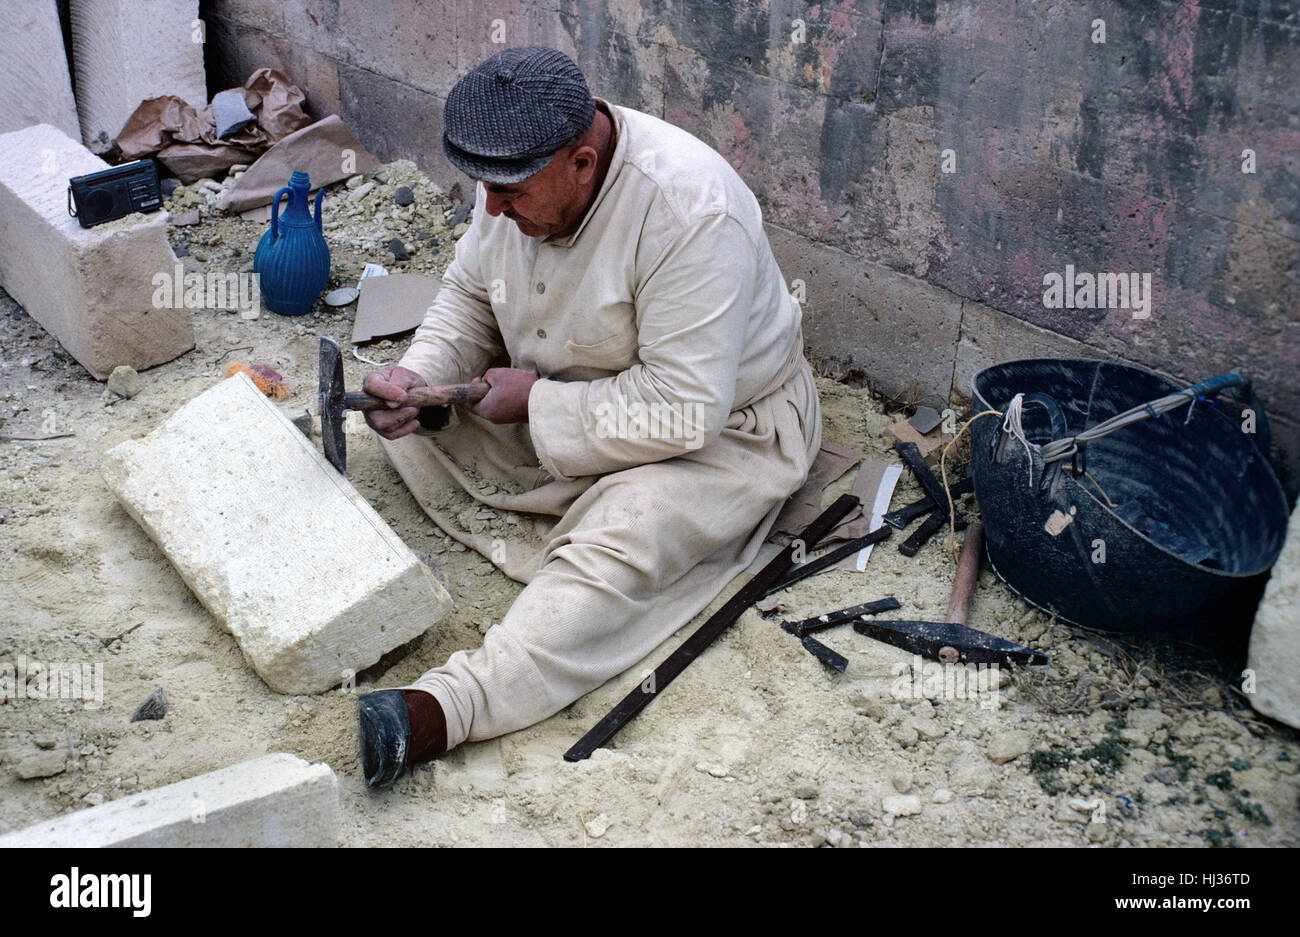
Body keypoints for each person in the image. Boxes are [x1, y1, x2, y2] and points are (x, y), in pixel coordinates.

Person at [357, 46, 821, 789]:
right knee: (402, 424)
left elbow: (683, 411)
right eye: (487, 190)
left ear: (582, 161)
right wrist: (423, 379)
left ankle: (452, 704)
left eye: (511, 194)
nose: (494, 208)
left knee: (619, 543)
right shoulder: (509, 184)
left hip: (718, 433)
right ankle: (536, 480)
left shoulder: (690, 210)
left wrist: (536, 404)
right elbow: (469, 294)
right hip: (561, 403)